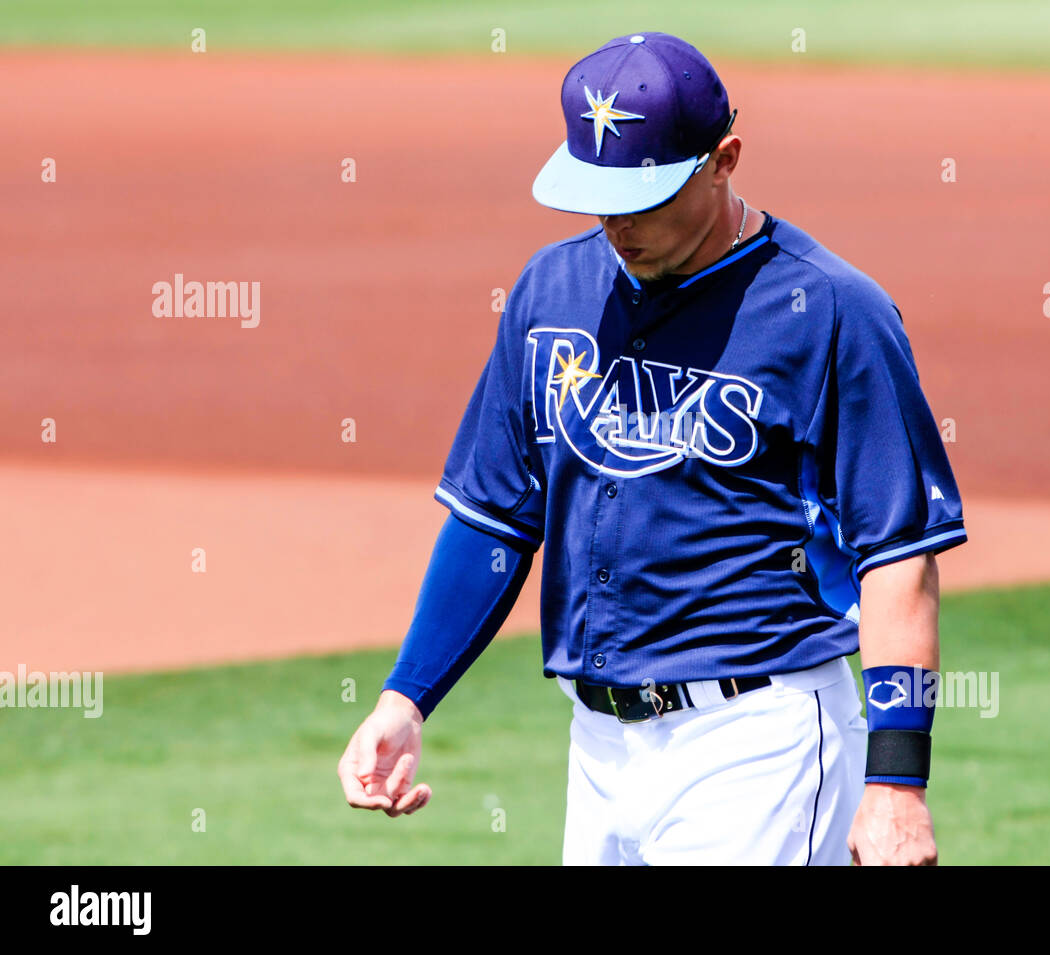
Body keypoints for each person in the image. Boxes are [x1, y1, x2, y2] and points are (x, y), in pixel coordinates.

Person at [338, 31, 967, 865]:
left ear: (725, 158)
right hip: (598, 747)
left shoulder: (831, 311)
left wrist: (895, 782)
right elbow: (494, 517)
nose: (615, 222)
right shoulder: (550, 291)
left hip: (758, 738)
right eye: (597, 195)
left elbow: (899, 553)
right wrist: (405, 698)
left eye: (642, 196)